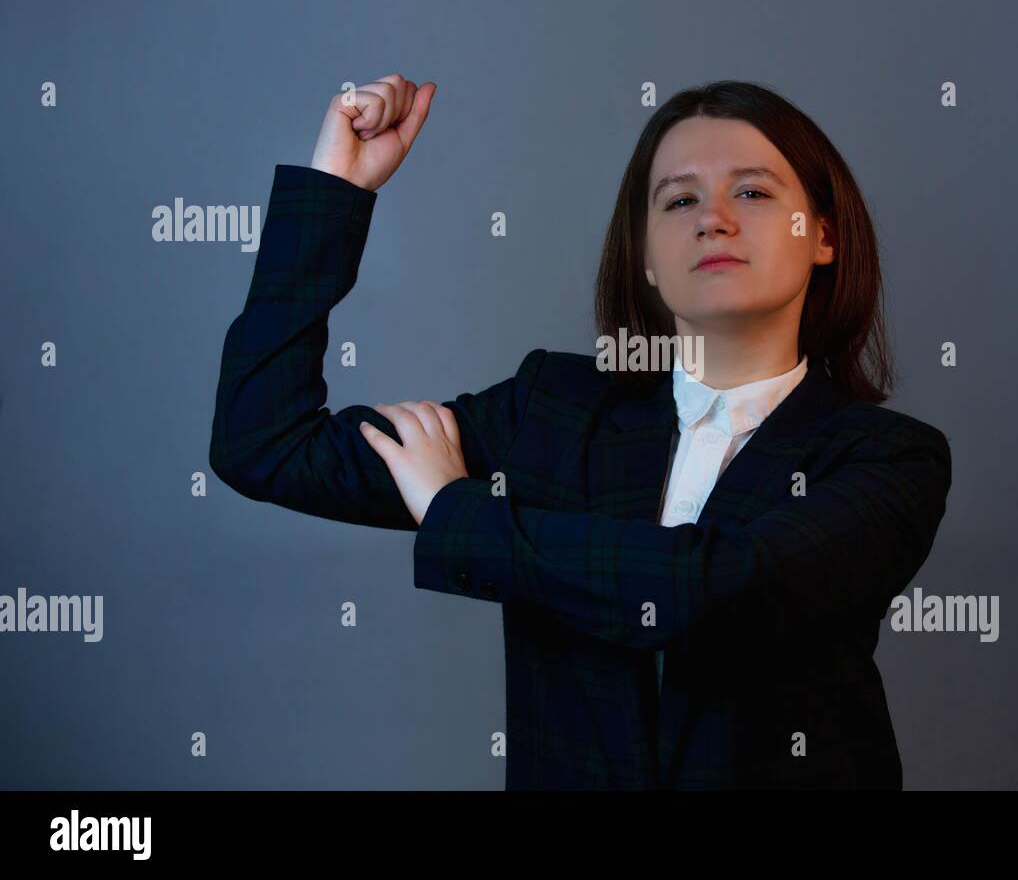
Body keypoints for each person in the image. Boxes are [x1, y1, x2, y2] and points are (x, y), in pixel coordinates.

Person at [209, 74, 953, 789]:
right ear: (648, 260)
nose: (712, 217)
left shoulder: (891, 459)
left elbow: (717, 588)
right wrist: (337, 191)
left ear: (823, 234)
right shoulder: (547, 411)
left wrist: (458, 514)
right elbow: (264, 444)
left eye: (752, 192)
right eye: (678, 200)